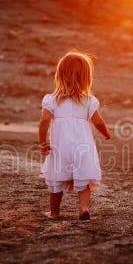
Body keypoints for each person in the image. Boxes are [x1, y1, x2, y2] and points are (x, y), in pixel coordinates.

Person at [39, 50, 110, 220]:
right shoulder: (89, 101)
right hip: (83, 147)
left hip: (60, 148)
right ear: (87, 77)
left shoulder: (51, 99)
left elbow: (44, 121)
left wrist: (42, 142)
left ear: (60, 74)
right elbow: (98, 122)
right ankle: (84, 208)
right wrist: (106, 133)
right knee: (83, 179)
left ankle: (54, 212)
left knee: (56, 180)